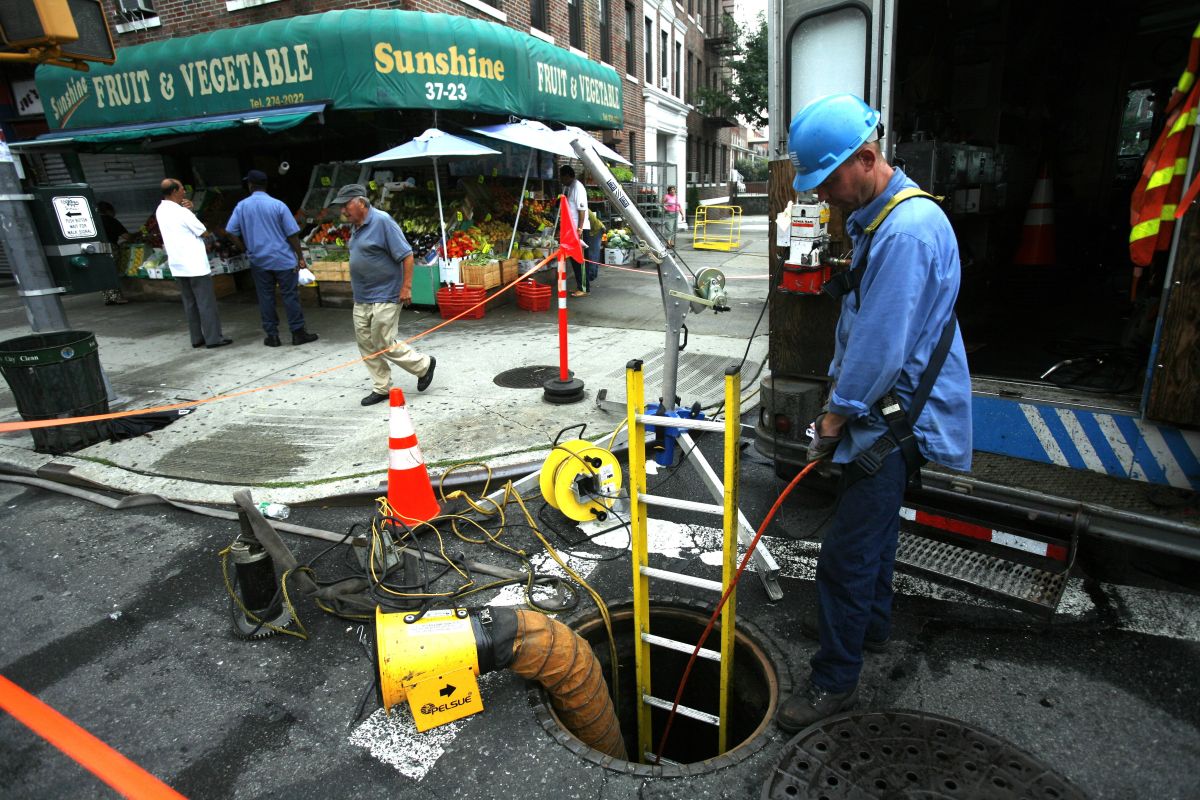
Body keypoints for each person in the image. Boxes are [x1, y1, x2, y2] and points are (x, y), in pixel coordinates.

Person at [776, 94, 971, 733]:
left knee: (845, 554)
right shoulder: (882, 218)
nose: (826, 196)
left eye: (830, 179)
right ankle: (871, 627)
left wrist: (832, 420)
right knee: (877, 533)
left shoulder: (908, 232)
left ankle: (835, 681)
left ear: (867, 157)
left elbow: (880, 346)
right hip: (890, 414)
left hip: (891, 421)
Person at [332, 184, 435, 406]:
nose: (343, 210)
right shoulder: (356, 227)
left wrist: (406, 287)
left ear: (360, 202)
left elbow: (407, 255)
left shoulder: (382, 221)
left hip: (386, 294)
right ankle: (382, 387)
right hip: (362, 297)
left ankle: (424, 365)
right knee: (366, 343)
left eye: (345, 204)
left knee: (383, 341)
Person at [225, 170, 318, 347]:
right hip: (283, 259)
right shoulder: (278, 205)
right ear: (266, 185)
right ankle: (298, 333)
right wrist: (300, 257)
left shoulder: (242, 206)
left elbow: (230, 231)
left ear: (251, 185)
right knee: (290, 296)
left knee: (265, 297)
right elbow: (292, 234)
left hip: (258, 260)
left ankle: (272, 336)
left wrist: (244, 248)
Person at [155, 178, 231, 349]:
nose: (184, 191)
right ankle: (214, 338)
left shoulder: (161, 210)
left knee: (190, 303)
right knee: (206, 303)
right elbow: (203, 232)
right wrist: (192, 212)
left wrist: (188, 210)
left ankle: (197, 338)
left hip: (178, 264)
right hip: (194, 264)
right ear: (174, 192)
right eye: (182, 188)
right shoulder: (182, 213)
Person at [560, 165, 591, 296]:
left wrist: (579, 228)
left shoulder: (578, 187)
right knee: (575, 258)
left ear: (567, 176)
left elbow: (582, 210)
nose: (560, 179)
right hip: (572, 229)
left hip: (580, 229)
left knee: (580, 259)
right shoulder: (570, 187)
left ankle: (584, 288)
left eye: (561, 176)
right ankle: (580, 286)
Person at [96, 201, 129, 305]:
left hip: (96, 249)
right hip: (110, 247)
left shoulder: (93, 221)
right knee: (113, 271)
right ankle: (117, 297)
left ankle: (108, 298)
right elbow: (126, 236)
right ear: (109, 211)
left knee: (103, 273)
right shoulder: (110, 220)